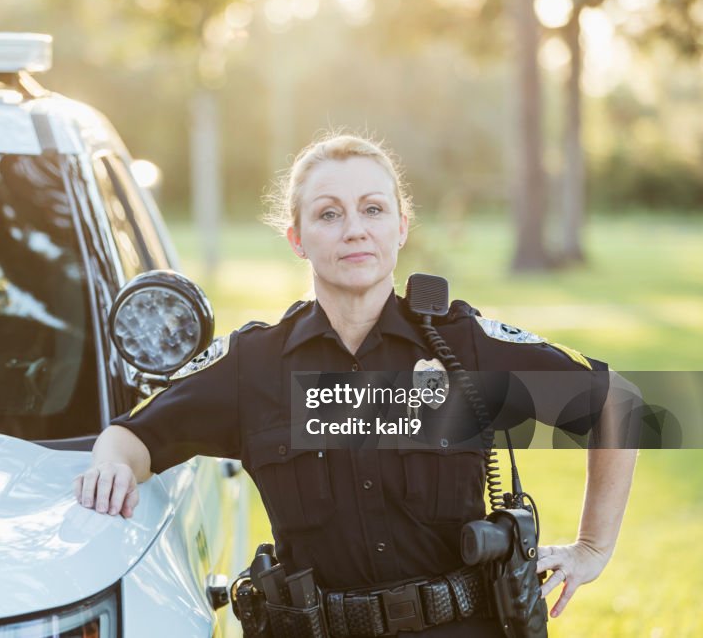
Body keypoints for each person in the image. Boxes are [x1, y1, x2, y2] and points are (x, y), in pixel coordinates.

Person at [74, 133, 637, 637]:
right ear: (297, 238)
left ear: (401, 226)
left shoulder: (462, 344)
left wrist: (592, 548)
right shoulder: (255, 365)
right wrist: (112, 464)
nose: (354, 230)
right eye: (328, 215)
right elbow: (133, 437)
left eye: (373, 209)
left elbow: (617, 404)